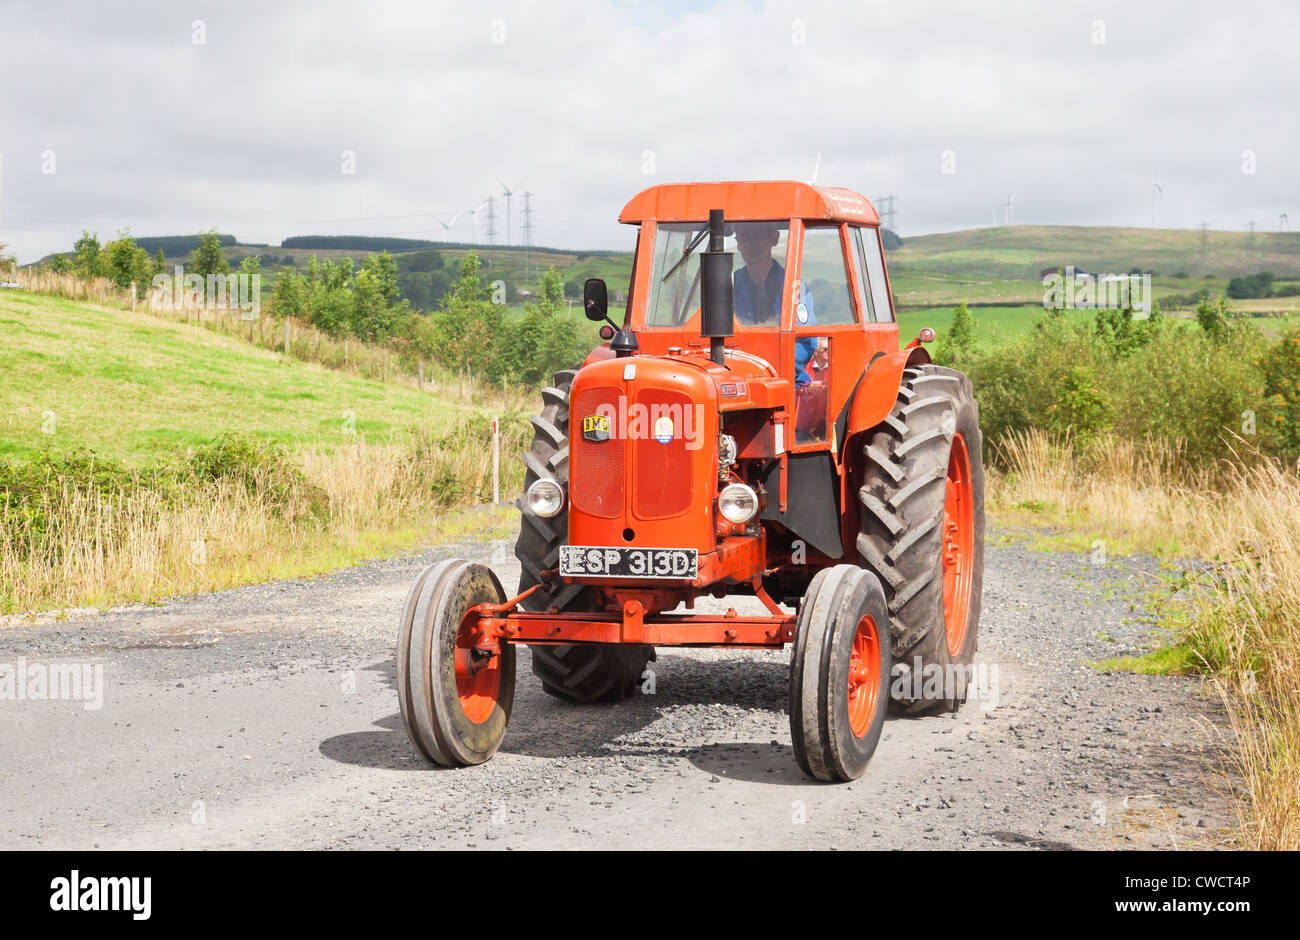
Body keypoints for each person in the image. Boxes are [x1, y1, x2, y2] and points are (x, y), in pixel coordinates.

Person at [732, 222, 816, 386]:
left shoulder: (794, 288)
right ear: (738, 243)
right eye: (744, 238)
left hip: (784, 381)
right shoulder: (728, 287)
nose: (751, 245)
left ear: (774, 238)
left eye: (757, 237)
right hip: (738, 380)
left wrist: (770, 372)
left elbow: (806, 341)